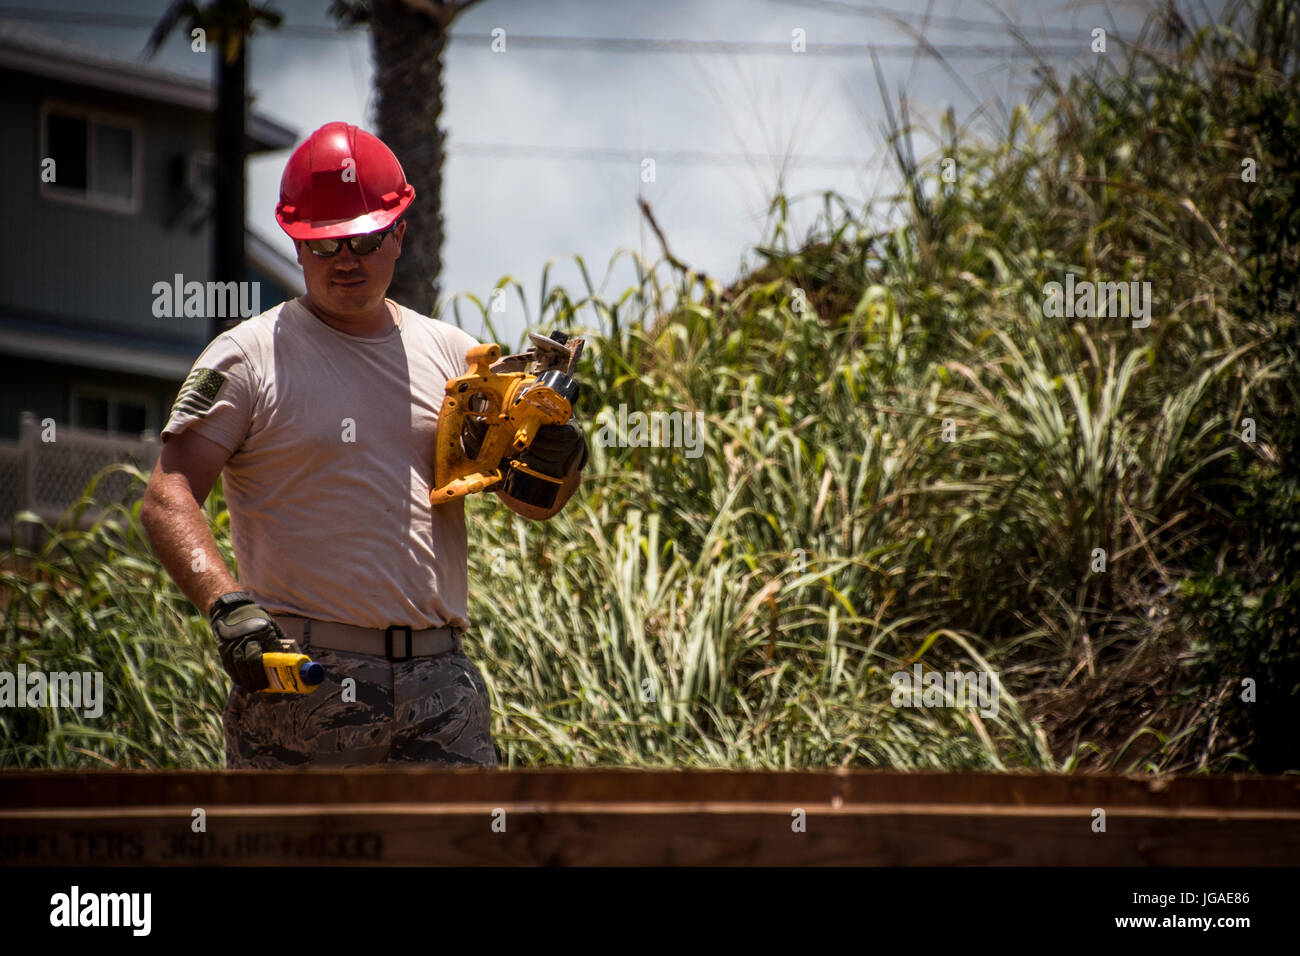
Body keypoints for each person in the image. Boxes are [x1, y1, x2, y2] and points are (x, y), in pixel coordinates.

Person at [140, 121, 587, 768]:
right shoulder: (248, 359)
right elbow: (166, 497)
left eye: (365, 239)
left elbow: (535, 501)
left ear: (399, 233)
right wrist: (226, 606)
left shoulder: (458, 359)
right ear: (295, 244)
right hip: (303, 681)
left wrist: (559, 461)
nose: (345, 260)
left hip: (440, 683)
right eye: (324, 246)